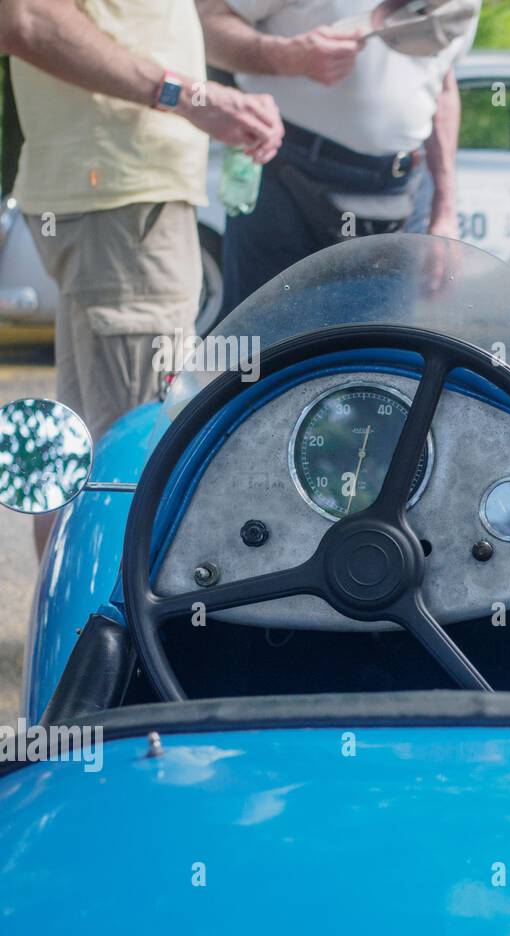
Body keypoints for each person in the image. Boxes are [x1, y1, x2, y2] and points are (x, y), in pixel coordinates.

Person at [0, 0, 284, 556]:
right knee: (138, 458)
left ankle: (73, 636)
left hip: (116, 198)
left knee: (86, 456)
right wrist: (188, 96)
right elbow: (24, 18)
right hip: (123, 199)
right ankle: (108, 639)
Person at [198, 0, 479, 316]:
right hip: (286, 174)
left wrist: (445, 210)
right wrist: (286, 57)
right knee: (266, 349)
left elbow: (442, 85)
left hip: (402, 191)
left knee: (377, 353)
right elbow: (206, 23)